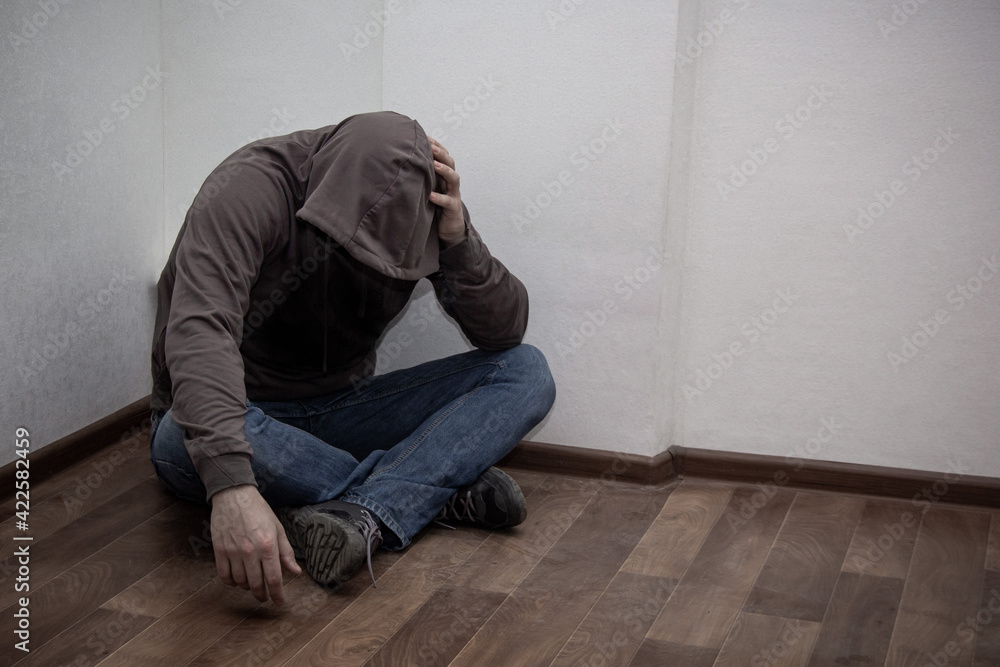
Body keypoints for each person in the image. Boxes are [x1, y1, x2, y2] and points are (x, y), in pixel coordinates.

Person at [148, 111, 556, 605]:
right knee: (176, 434)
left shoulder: (422, 206)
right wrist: (231, 486)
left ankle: (368, 504)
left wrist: (459, 242)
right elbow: (199, 333)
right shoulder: (246, 189)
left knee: (525, 370)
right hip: (247, 418)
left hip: (342, 409)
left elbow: (505, 332)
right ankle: (424, 495)